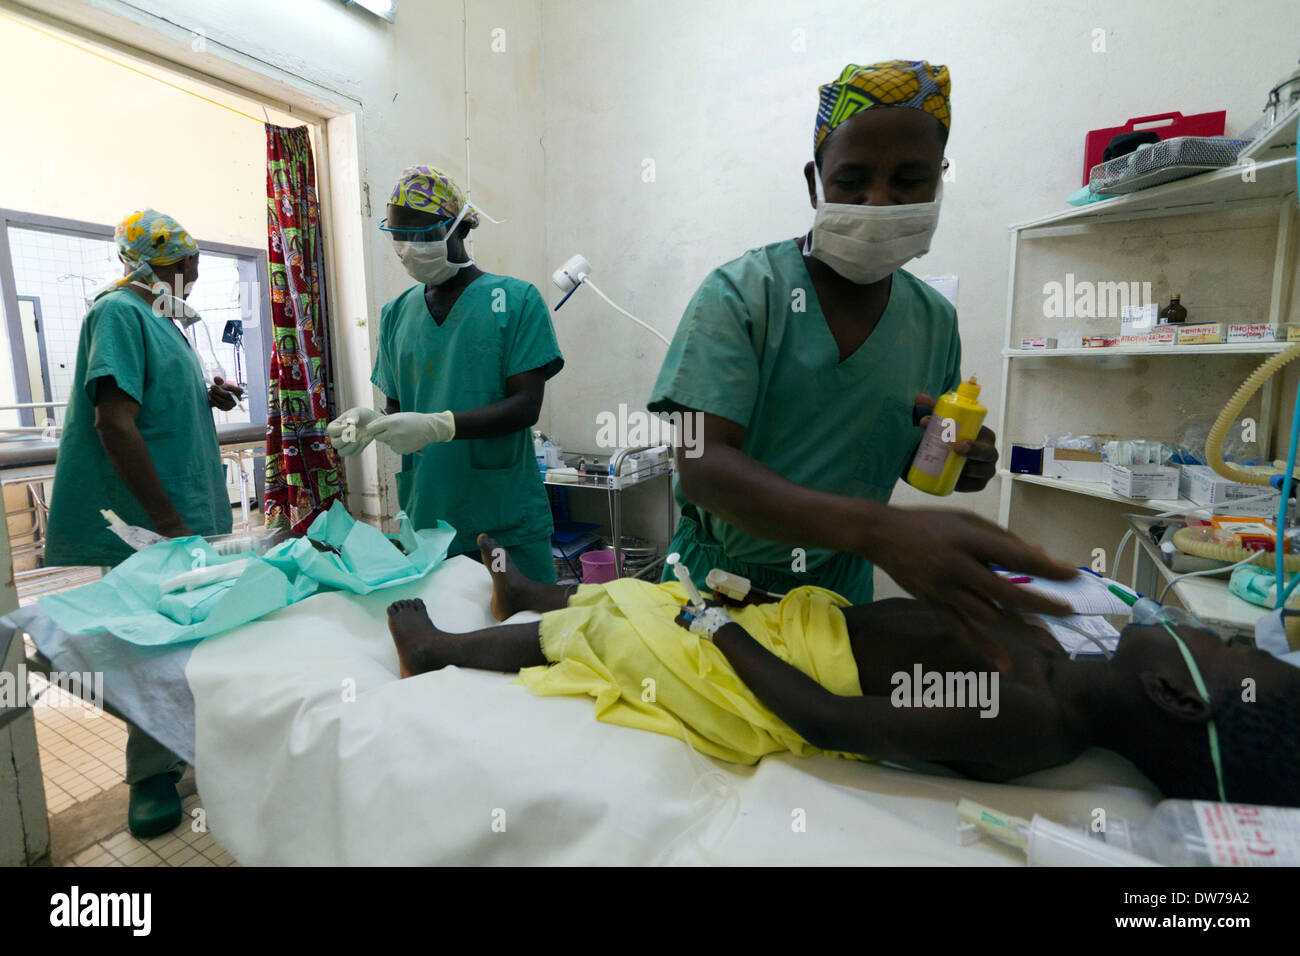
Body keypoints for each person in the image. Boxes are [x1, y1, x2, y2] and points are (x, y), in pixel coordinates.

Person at [647, 60, 1076, 637]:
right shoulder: (743, 295)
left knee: (823, 721)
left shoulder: (933, 322)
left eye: (908, 179)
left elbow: (894, 453)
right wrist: (882, 532)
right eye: (852, 180)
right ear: (814, 183)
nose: (878, 201)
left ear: (938, 183)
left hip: (837, 596)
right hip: (712, 586)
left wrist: (959, 463)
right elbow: (702, 469)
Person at [385, 536, 1300, 807]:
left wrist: (722, 632)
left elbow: (832, 722)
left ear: (1175, 696)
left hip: (768, 680)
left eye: (1230, 648)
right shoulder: (1060, 656)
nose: (1213, 630)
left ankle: (451, 649)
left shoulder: (1026, 716)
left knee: (627, 626)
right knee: (642, 589)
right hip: (799, 626)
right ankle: (537, 590)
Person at [44, 208, 244, 837]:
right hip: (153, 526)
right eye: (190, 264)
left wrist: (204, 396)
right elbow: (112, 421)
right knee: (151, 646)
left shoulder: (163, 325)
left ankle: (194, 747)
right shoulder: (119, 314)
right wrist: (165, 521)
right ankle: (151, 776)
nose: (193, 276)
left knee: (193, 637)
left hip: (187, 514)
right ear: (165, 261)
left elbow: (148, 404)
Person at [328, 166, 563, 582]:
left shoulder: (516, 300)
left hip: (503, 519)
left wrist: (441, 426)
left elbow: (526, 406)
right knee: (445, 634)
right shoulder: (396, 314)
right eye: (399, 237)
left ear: (459, 227)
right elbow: (399, 411)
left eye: (422, 236)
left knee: (524, 631)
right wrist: (371, 424)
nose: (409, 249)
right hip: (427, 519)